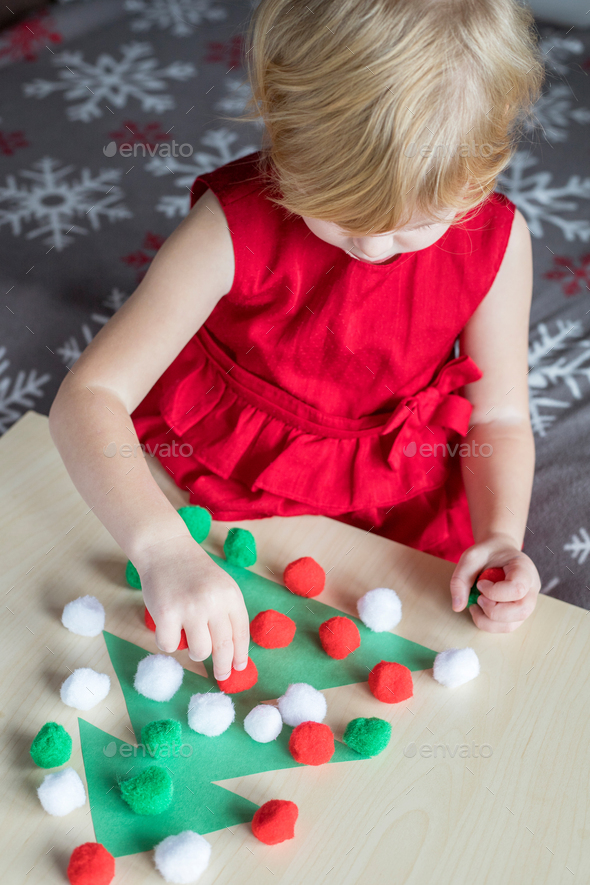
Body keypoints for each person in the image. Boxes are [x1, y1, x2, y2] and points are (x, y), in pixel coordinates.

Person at [49, 0, 546, 680]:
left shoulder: (497, 242)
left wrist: (500, 535)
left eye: (413, 228)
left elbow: (500, 417)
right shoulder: (229, 227)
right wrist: (162, 547)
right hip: (219, 464)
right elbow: (90, 396)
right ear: (283, 133)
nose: (372, 248)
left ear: (480, 174)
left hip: (395, 493)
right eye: (342, 216)